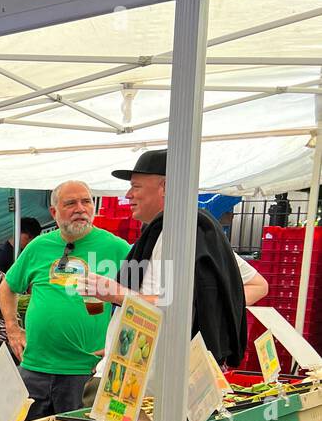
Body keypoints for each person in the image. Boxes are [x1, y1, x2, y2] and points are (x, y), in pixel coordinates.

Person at [82, 149, 263, 368]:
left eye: (136, 186)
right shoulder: (179, 232)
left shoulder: (182, 235)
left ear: (166, 187)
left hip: (157, 376)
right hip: (136, 362)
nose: (128, 194)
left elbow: (176, 304)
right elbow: (255, 285)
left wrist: (117, 294)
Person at [0, 181, 132, 418]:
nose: (80, 208)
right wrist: (12, 328)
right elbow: (8, 287)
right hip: (33, 369)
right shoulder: (38, 247)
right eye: (70, 203)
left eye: (86, 201)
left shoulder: (117, 248)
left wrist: (119, 347)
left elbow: (144, 303)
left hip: (84, 373)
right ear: (54, 212)